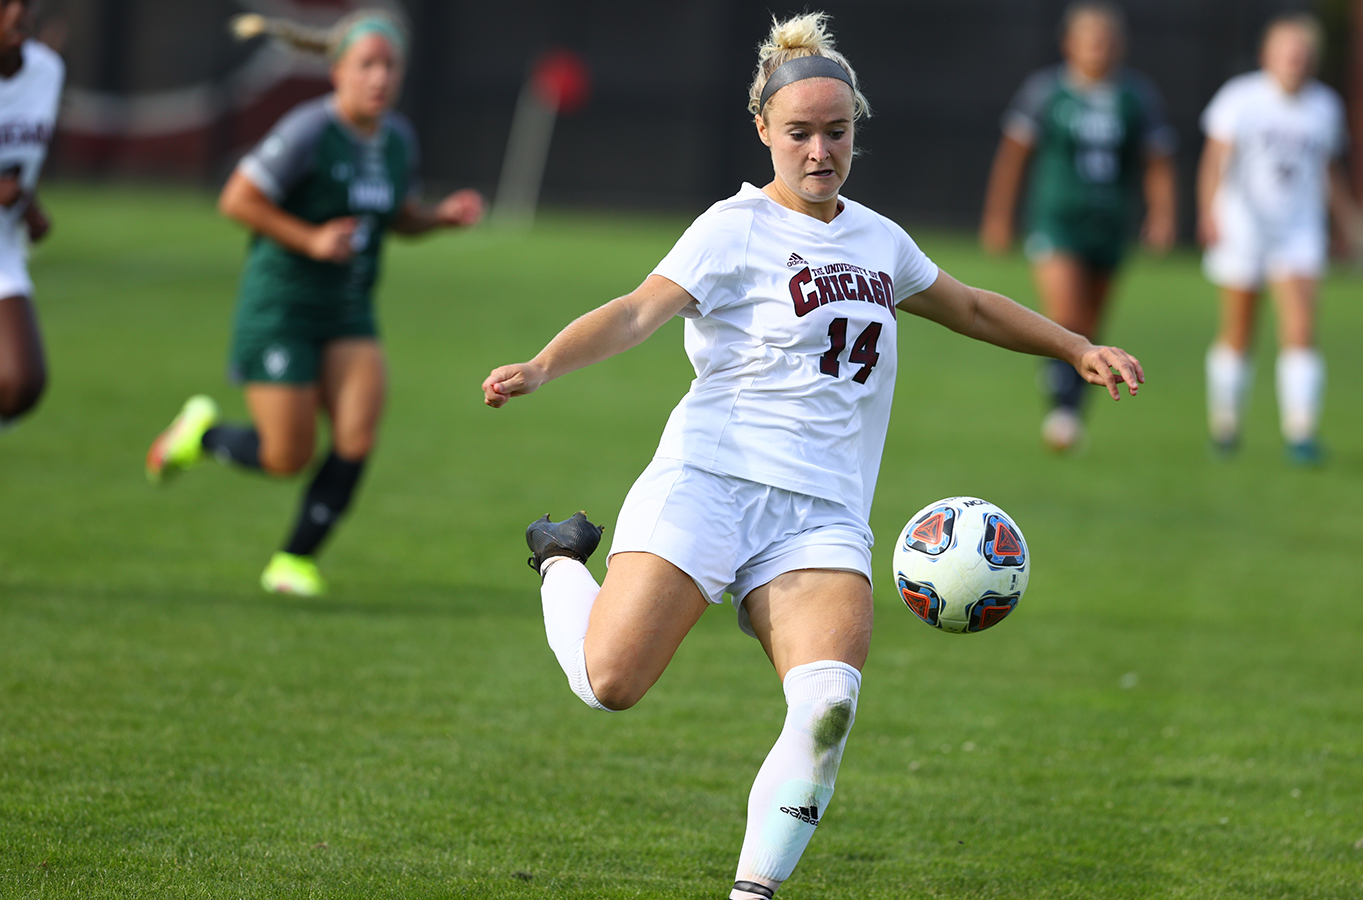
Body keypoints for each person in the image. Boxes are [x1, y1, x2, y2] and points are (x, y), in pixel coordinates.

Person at [482, 13, 1143, 898]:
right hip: (709, 484)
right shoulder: (731, 228)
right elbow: (638, 310)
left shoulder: (878, 239)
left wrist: (1074, 347)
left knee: (828, 706)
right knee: (610, 684)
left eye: (837, 133)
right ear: (764, 130)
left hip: (823, 514)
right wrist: (542, 365)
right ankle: (562, 561)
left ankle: (752, 893)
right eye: (800, 133)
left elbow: (975, 306)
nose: (821, 151)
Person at [145, 9, 484, 595]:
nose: (379, 78)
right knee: (287, 456)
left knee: (358, 435)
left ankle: (293, 562)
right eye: (366, 65)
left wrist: (440, 218)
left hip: (349, 309)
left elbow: (397, 216)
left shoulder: (398, 138)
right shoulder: (308, 129)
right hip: (282, 308)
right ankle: (200, 437)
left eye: (390, 66)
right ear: (337, 72)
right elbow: (237, 198)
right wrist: (310, 238)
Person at [978, 0, 1174, 453]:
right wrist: (998, 216)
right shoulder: (1046, 92)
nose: (1099, 50)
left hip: (1109, 224)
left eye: (1106, 41)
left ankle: (1071, 408)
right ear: (1069, 45)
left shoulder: (1135, 97)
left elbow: (1158, 161)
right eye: (1090, 41)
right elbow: (1014, 156)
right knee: (1065, 316)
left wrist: (1162, 215)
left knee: (1089, 325)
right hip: (1056, 220)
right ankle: (1062, 413)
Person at [1197, 12, 1356, 464]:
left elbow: (1328, 170)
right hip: (1244, 225)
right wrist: (1210, 211)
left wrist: (1344, 220)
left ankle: (1300, 431)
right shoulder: (1241, 98)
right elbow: (1215, 160)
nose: (1295, 61)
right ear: (1268, 55)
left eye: (1303, 54)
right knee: (1238, 329)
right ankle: (1225, 425)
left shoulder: (1325, 105)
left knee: (1302, 328)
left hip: (1298, 230)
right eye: (1288, 52)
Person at [0, 0, 62, 429]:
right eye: (4, 5)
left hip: (2, 245)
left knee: (22, 383)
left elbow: (24, 159)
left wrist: (30, 207)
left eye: (25, 2)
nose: (18, 13)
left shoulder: (47, 71)